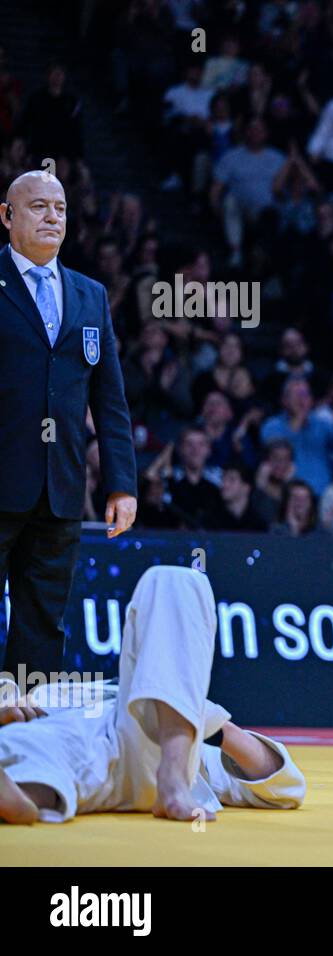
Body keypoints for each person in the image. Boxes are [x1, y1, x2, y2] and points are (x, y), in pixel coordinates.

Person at [0, 566, 305, 824]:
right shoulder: (35, 694)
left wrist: (216, 726)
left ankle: (171, 776)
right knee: (36, 747)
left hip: (146, 743)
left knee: (174, 579)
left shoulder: (188, 725)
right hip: (56, 735)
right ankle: (22, 796)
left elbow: (285, 787)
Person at [0, 170, 137, 677]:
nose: (52, 217)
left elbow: (110, 399)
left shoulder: (89, 295)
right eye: (38, 207)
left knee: (43, 623)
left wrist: (122, 484)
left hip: (60, 489)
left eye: (59, 208)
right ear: (7, 216)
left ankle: (30, 742)